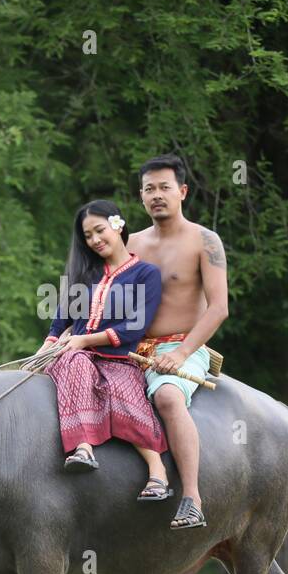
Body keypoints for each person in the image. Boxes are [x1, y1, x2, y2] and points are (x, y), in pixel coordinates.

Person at [40, 200, 173, 502]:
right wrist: (46, 347)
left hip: (119, 359)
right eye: (88, 236)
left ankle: (158, 472)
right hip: (77, 356)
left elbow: (136, 327)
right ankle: (83, 447)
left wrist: (85, 340)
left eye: (99, 231)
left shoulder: (146, 274)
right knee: (73, 361)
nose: (95, 240)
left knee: (123, 391)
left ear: (118, 225)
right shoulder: (85, 273)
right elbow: (63, 317)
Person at [125, 154, 229, 531]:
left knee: (168, 396)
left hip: (181, 346)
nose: (157, 195)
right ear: (141, 196)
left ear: (182, 192)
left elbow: (218, 309)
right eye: (149, 189)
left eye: (164, 187)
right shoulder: (131, 243)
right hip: (133, 349)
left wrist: (183, 353)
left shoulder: (205, 240)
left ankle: (192, 498)